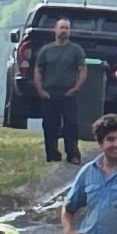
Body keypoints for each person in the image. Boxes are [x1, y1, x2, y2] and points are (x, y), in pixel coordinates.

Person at [31, 16, 90, 163]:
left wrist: (77, 87)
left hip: (68, 95)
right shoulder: (46, 50)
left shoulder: (76, 50)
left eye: (67, 28)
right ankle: (52, 155)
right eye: (61, 27)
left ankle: (73, 154)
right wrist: (40, 89)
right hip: (49, 95)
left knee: (71, 125)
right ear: (55, 30)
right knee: (50, 127)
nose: (64, 31)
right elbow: (38, 70)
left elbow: (82, 69)